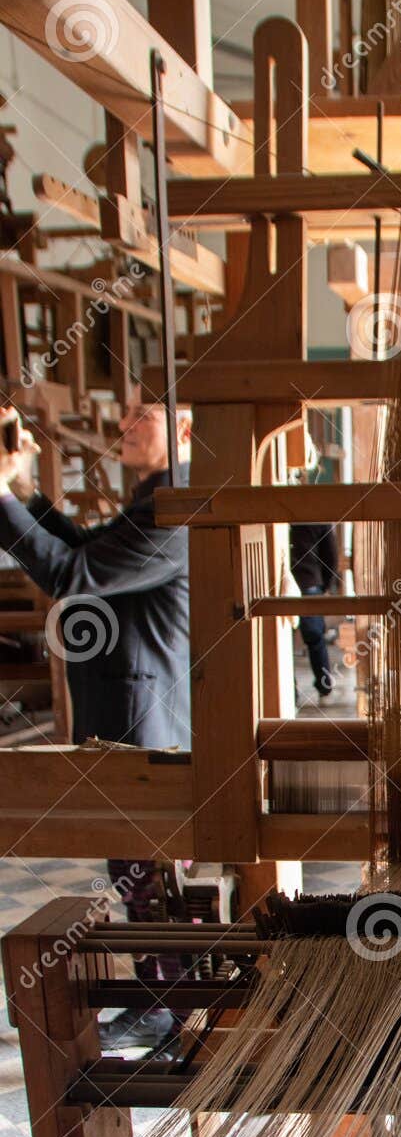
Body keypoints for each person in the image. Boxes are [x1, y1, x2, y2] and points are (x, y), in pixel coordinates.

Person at [0, 397, 192, 1055]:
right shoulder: (154, 500)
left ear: (186, 430)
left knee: (152, 873)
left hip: (146, 718)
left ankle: (177, 1012)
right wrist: (24, 488)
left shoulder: (177, 507)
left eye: (145, 415)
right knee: (135, 869)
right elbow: (86, 550)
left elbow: (71, 574)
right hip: (130, 709)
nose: (126, 426)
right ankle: (157, 1004)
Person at [289, 522, 338, 697]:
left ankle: (291, 689)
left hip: (287, 581)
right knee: (315, 636)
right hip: (309, 581)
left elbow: (329, 554)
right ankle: (324, 683)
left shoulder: (276, 514)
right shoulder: (315, 514)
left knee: (285, 639)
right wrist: (325, 584)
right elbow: (330, 555)